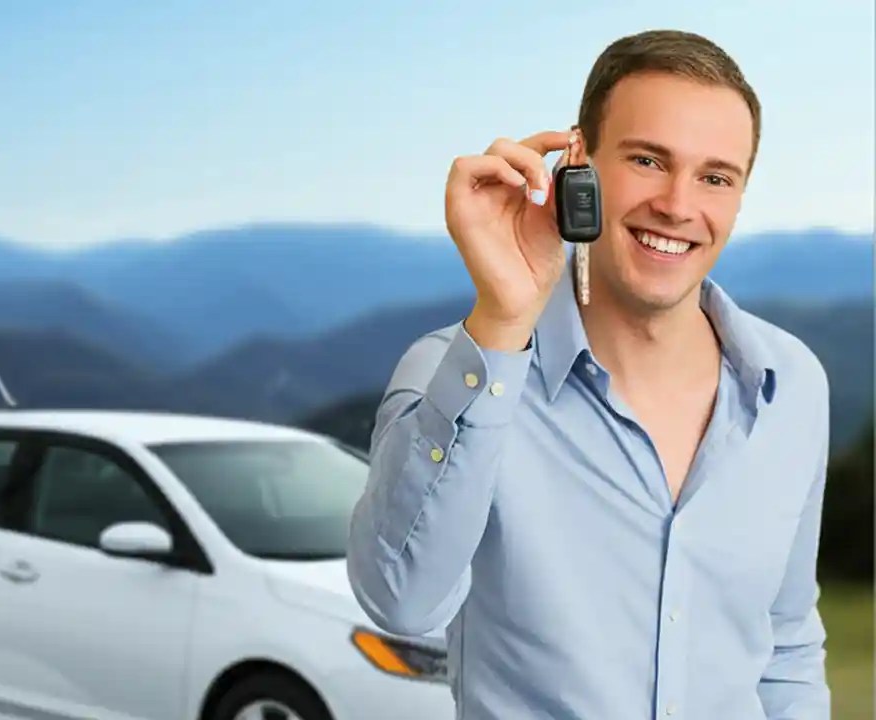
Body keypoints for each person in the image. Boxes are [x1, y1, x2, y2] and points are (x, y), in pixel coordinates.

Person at [346, 29, 831, 719]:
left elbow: (784, 646)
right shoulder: (456, 375)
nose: (677, 204)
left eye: (715, 176)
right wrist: (505, 318)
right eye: (647, 160)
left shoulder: (793, 386)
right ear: (580, 161)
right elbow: (400, 600)